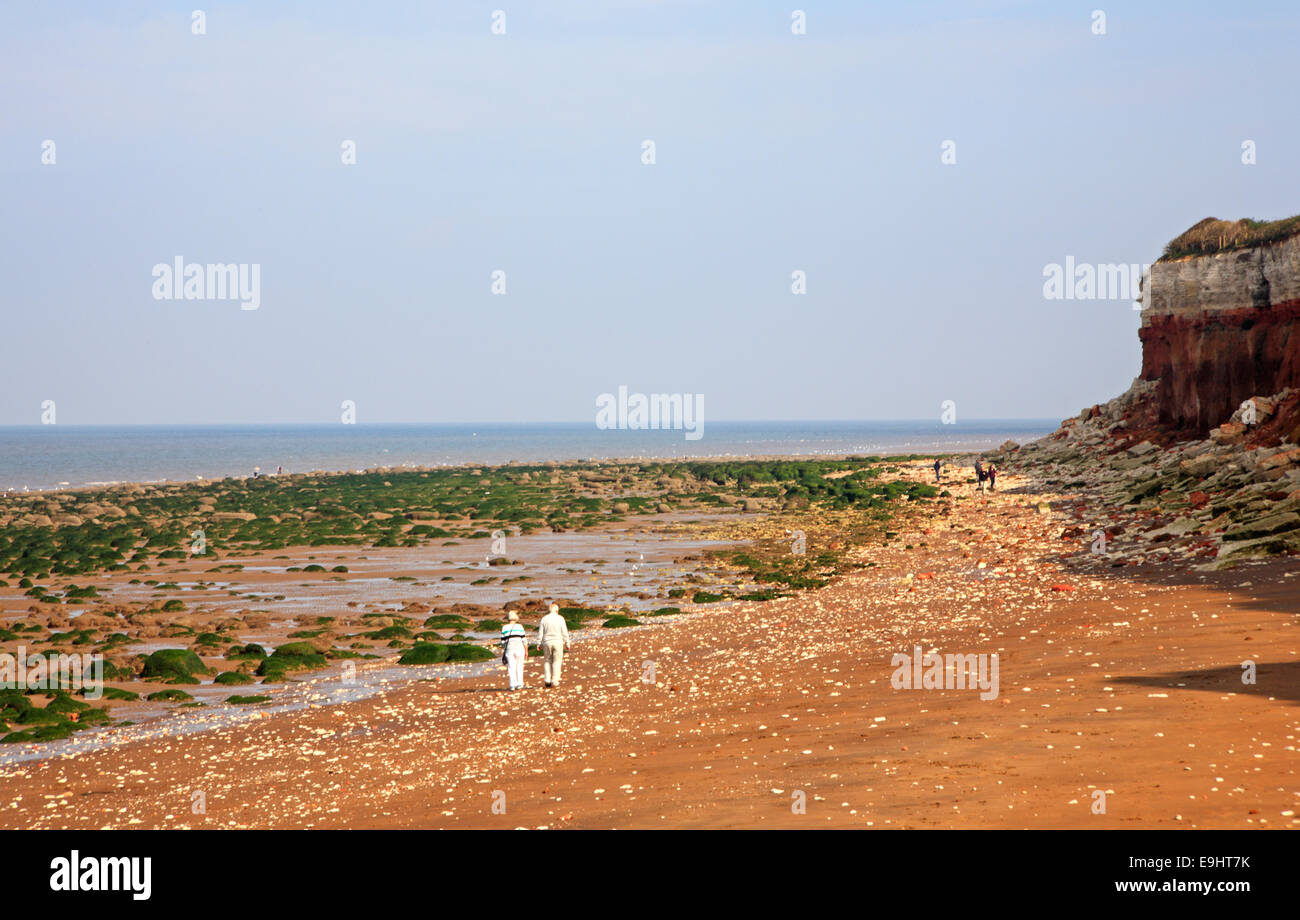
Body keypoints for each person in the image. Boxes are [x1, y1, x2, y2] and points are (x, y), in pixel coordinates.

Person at [536, 603, 571, 688]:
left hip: (547, 642)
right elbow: (564, 632)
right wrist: (567, 643)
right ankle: (555, 680)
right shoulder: (560, 618)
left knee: (547, 660)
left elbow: (540, 632)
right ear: (557, 610)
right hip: (558, 642)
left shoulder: (544, 619)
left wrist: (539, 643)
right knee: (557, 661)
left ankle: (547, 680)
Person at [500, 610, 527, 691]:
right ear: (516, 618)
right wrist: (526, 650)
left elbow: (503, 642)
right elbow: (524, 639)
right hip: (520, 649)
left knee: (511, 667)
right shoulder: (520, 626)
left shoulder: (504, 627)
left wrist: (505, 648)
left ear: (508, 618)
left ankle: (512, 685)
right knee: (519, 666)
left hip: (509, 649)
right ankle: (520, 684)